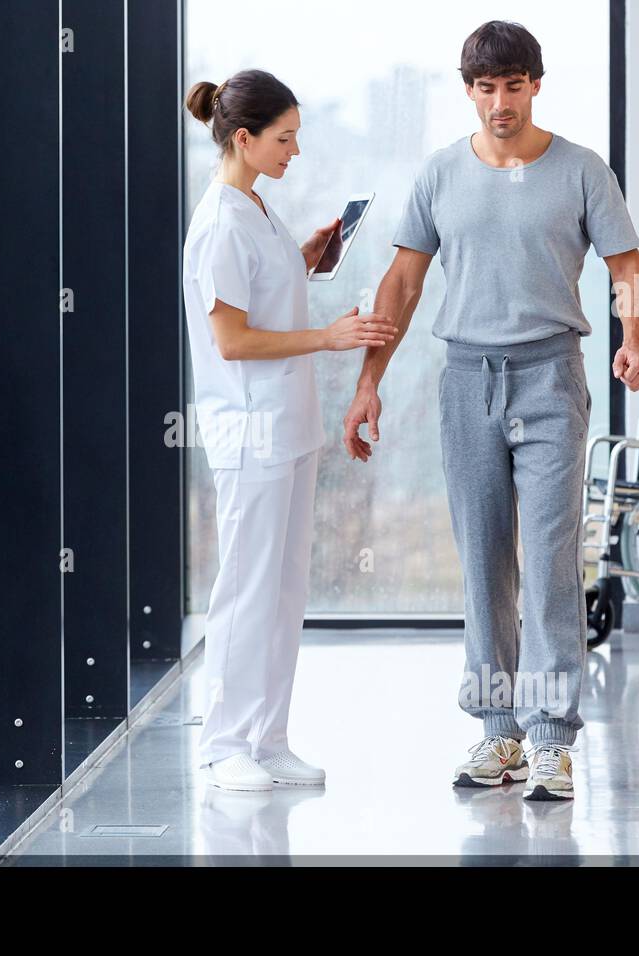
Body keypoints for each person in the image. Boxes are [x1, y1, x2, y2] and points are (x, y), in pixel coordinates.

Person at [342, 21, 639, 801]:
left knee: (547, 561)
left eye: (514, 85)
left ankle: (551, 739)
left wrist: (636, 340)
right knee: (483, 562)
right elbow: (403, 285)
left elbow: (630, 268)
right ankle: (497, 737)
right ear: (468, 89)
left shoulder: (581, 170)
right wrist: (367, 381)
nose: (500, 102)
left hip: (550, 376)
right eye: (485, 88)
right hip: (465, 381)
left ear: (536, 85)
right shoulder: (441, 173)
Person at [182, 69, 396, 792]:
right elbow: (234, 342)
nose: (295, 150)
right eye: (284, 138)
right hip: (251, 435)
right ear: (242, 139)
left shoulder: (258, 211)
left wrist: (308, 257)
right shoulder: (217, 222)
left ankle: (267, 737)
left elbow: (263, 296)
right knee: (246, 589)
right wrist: (327, 338)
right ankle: (223, 745)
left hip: (289, 427)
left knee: (284, 590)